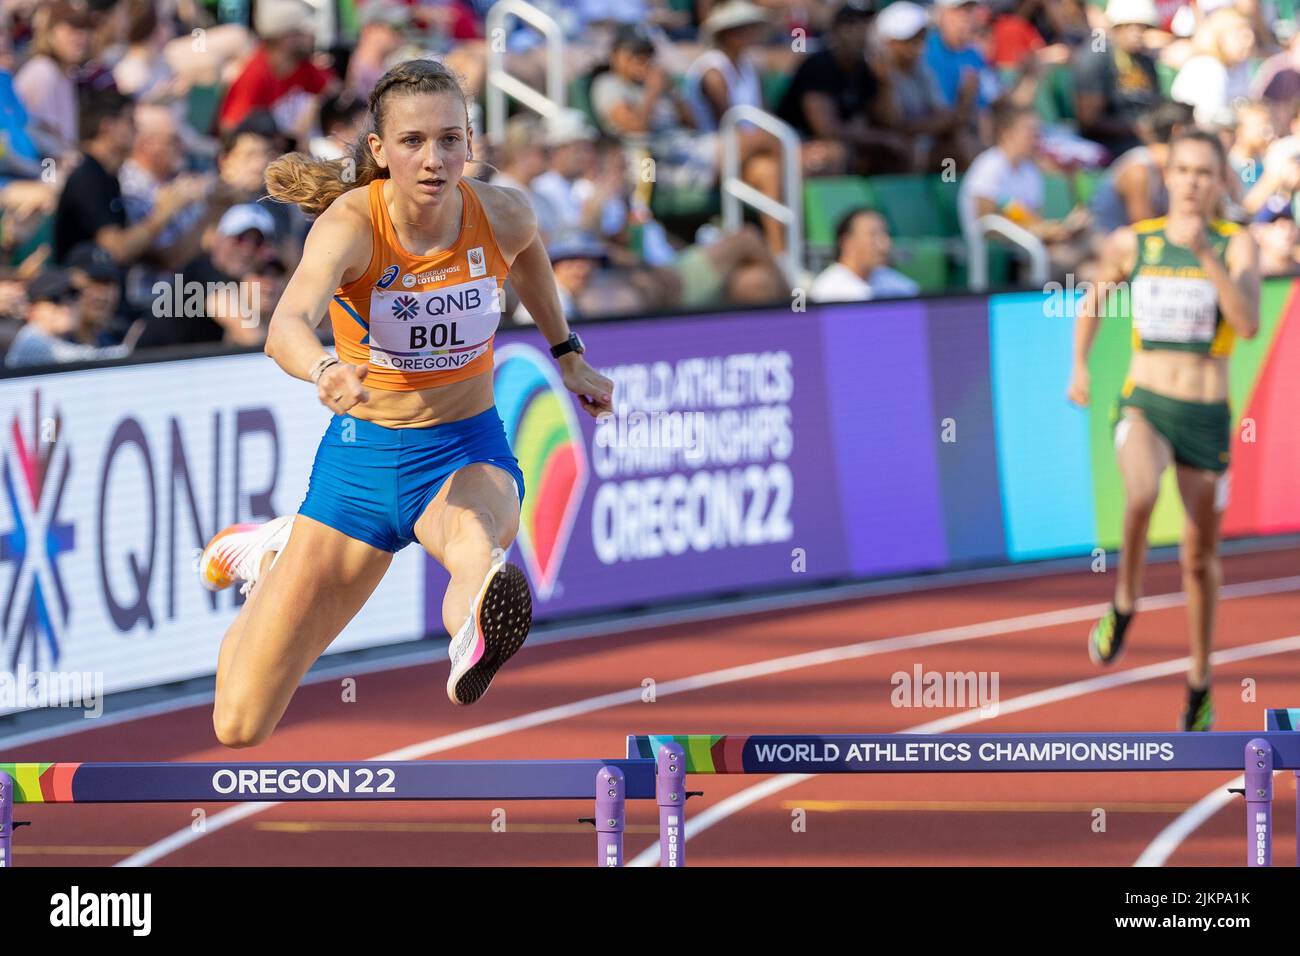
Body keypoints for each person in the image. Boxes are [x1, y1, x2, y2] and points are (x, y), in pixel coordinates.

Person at [195, 59, 615, 748]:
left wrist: (567, 352)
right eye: (414, 141)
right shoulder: (352, 224)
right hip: (359, 471)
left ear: (470, 143)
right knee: (239, 724)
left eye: (451, 139)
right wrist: (324, 366)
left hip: (464, 449)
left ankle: (470, 640)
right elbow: (286, 327)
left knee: (479, 554)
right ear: (380, 150)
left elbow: (530, 254)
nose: (434, 158)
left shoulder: (502, 213)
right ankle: (275, 555)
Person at [1068, 128, 1261, 732]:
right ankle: (1125, 599)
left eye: (1206, 173)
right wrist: (1078, 364)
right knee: (1143, 492)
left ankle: (1200, 681)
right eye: (1184, 171)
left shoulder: (1237, 245)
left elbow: (1249, 324)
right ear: (1168, 176)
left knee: (1200, 559)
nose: (1193, 183)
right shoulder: (1136, 242)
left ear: (1218, 182)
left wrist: (1206, 255)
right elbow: (1093, 299)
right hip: (1146, 402)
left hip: (1205, 415)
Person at [1072, 0, 1162, 157]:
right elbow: (1089, 121)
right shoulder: (1096, 57)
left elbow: (1156, 104)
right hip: (1109, 146)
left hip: (1145, 140)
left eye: (1143, 27)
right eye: (1132, 26)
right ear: (1117, 27)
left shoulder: (1145, 61)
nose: (1138, 33)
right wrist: (1134, 128)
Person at [1088, 101, 1194, 234]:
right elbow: (1145, 234)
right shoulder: (1138, 171)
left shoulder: (1172, 169)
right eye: (1196, 131)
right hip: (1104, 249)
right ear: (1178, 130)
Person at [810, 207, 920, 301]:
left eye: (885, 234)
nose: (885, 244)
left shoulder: (896, 284)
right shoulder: (826, 292)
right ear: (846, 242)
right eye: (873, 235)